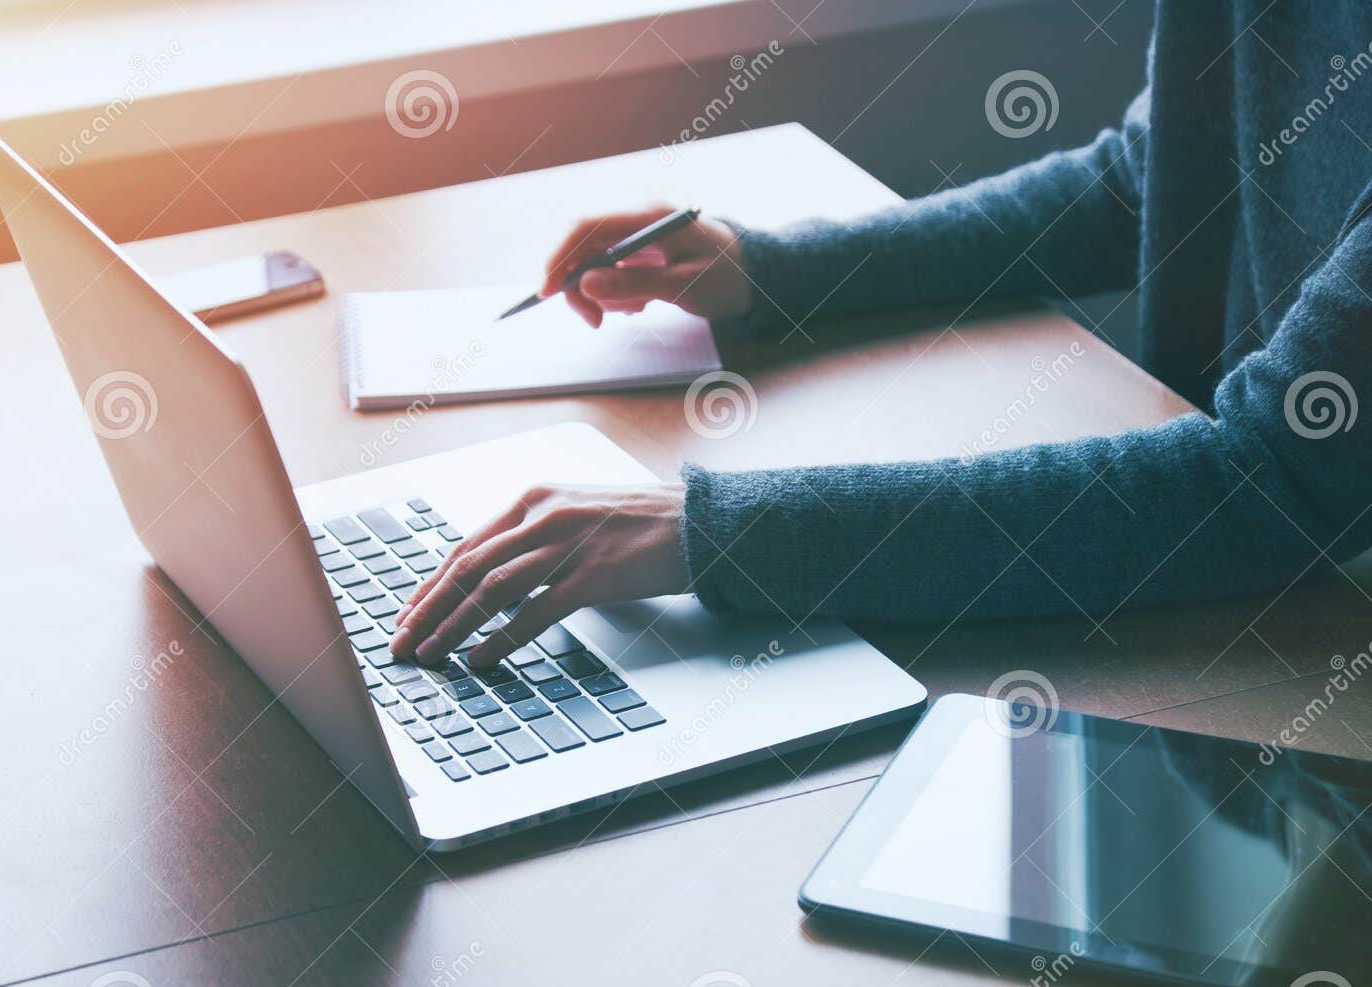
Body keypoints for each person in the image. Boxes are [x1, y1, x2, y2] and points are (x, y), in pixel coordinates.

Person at [391, 2, 1372, 670]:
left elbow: (1268, 484)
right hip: (1235, 622)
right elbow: (1143, 180)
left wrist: (712, 535)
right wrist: (772, 269)